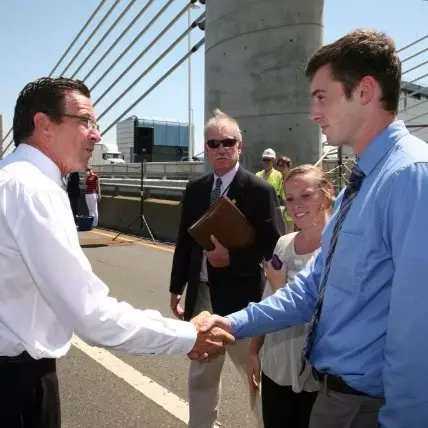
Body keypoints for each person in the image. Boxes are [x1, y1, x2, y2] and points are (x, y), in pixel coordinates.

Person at [196, 29, 428, 428]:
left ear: (365, 91)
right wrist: (233, 322)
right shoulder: (359, 185)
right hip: (336, 398)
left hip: (371, 408)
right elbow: (313, 286)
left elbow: (417, 331)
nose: (313, 113)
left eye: (322, 97)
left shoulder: (411, 177)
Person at [0, 77, 234, 427]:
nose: (95, 134)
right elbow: (91, 314)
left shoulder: (10, 178)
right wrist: (187, 335)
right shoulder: (36, 191)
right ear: (43, 125)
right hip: (17, 385)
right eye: (85, 121)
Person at [170, 108, 284, 428]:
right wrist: (176, 288)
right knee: (201, 377)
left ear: (240, 145)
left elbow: (275, 249)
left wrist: (233, 259)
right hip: (202, 297)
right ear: (205, 148)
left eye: (227, 142)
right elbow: (185, 242)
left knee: (254, 379)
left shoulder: (260, 191)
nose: (220, 148)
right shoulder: (195, 189)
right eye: (212, 143)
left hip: (242, 300)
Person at [247, 165, 334, 428]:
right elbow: (267, 303)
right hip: (275, 367)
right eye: (290, 198)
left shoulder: (339, 247)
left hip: (317, 377)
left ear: (327, 193)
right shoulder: (284, 244)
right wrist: (253, 350)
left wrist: (280, 285)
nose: (296, 205)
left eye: (306, 195)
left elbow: (325, 312)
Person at [275, 155, 294, 232]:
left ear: (288, 167)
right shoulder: (281, 179)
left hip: (290, 213)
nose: (280, 168)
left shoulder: (291, 180)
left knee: (289, 234)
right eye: (279, 166)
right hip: (283, 213)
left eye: (283, 166)